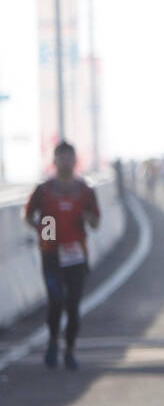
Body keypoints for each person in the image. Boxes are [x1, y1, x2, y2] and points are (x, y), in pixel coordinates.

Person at [23, 141, 101, 370]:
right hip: (51, 255)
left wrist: (87, 217)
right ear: (54, 161)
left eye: (69, 158)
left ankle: (70, 350)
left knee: (73, 305)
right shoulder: (44, 191)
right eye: (62, 157)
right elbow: (28, 216)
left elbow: (96, 222)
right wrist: (42, 230)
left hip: (76, 256)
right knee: (56, 301)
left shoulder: (85, 191)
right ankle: (52, 342)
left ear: (75, 160)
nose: (66, 162)